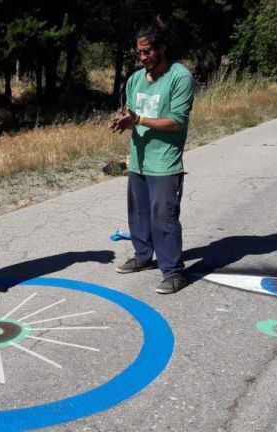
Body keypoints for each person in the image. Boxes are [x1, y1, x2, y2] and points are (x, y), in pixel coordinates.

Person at [110, 20, 195, 294]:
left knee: (164, 219)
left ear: (162, 47)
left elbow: (176, 122)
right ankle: (143, 257)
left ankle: (173, 272)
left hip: (165, 163)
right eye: (139, 53)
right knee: (138, 214)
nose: (143, 57)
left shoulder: (179, 77)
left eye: (148, 52)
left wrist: (141, 119)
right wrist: (126, 121)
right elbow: (134, 116)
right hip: (138, 160)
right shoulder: (135, 79)